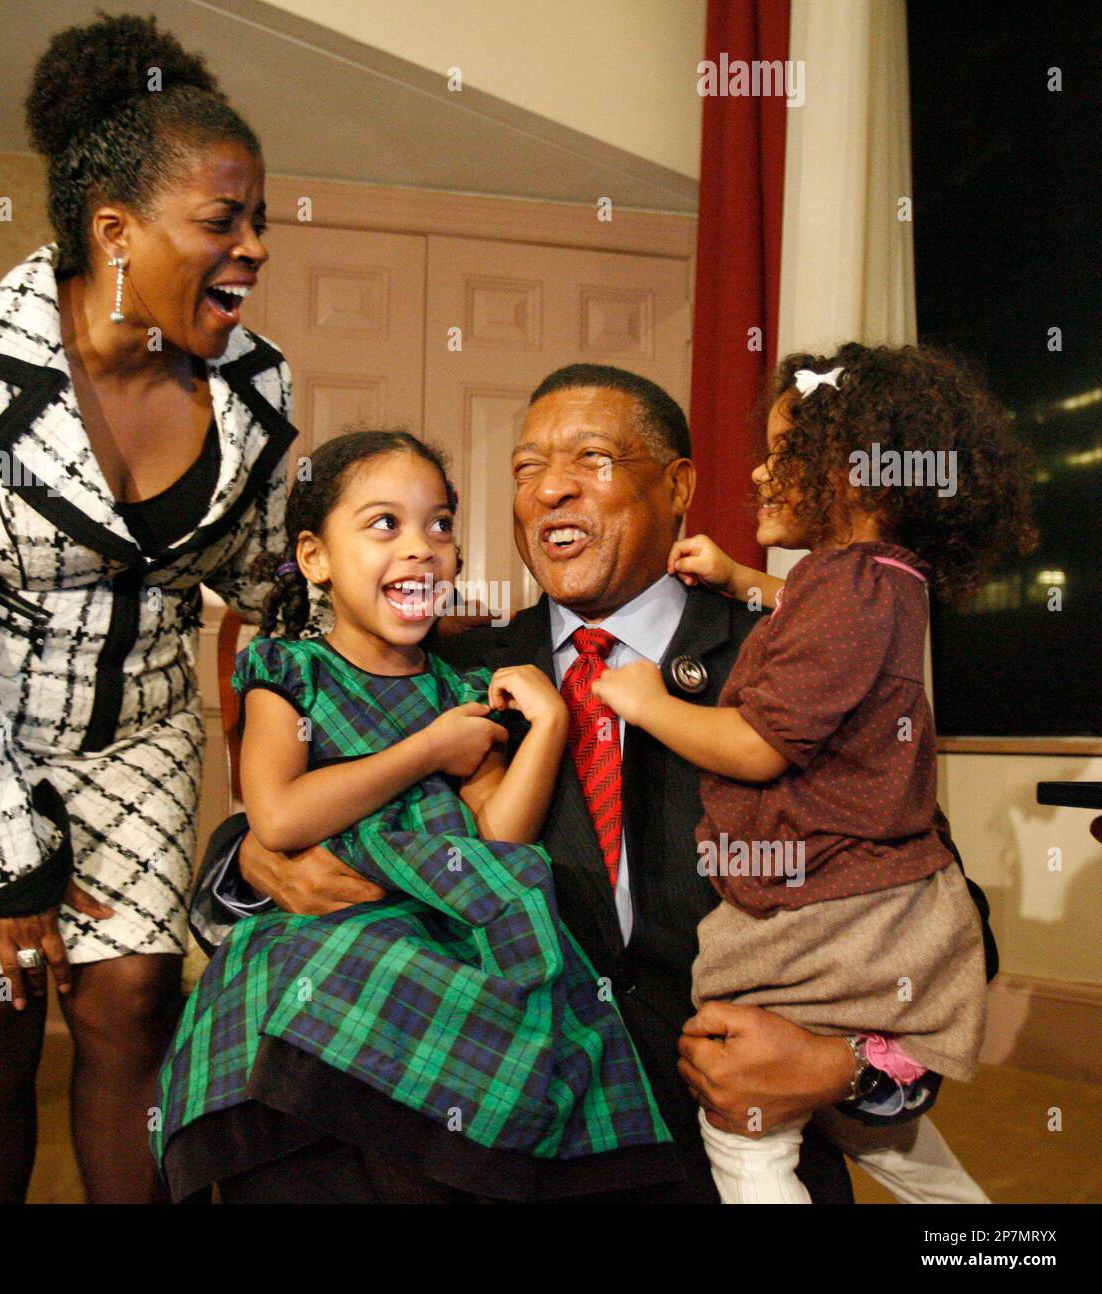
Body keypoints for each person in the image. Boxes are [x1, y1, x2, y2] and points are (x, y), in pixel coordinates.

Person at [231, 363, 999, 1200]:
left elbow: (929, 896)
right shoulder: (445, 674)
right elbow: (299, 806)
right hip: (505, 1139)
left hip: (724, 1140)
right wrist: (250, 867)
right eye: (527, 469)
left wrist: (844, 1068)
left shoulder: (796, 652)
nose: (551, 489)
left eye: (592, 459)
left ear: (679, 488)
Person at [0, 13, 301, 1203]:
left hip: (136, 724)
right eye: (222, 221)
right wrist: (2, 862)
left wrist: (366, 590)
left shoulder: (256, 379)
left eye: (258, 223)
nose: (251, 249)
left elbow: (257, 576)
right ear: (115, 230)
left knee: (134, 997)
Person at [154, 430, 686, 1203]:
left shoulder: (457, 689)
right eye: (384, 525)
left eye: (439, 525)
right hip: (330, 939)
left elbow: (502, 837)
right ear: (314, 559)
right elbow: (276, 816)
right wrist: (426, 750)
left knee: (443, 1137)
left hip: (447, 943)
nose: (422, 548)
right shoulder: (291, 672)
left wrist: (551, 730)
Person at [593, 343, 1036, 1203]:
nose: (759, 472)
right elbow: (812, 620)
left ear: (862, 477)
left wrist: (647, 702)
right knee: (896, 1145)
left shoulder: (845, 589)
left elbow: (758, 745)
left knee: (743, 1129)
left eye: (784, 454)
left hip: (822, 913)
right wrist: (742, 579)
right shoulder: (877, 581)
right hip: (869, 901)